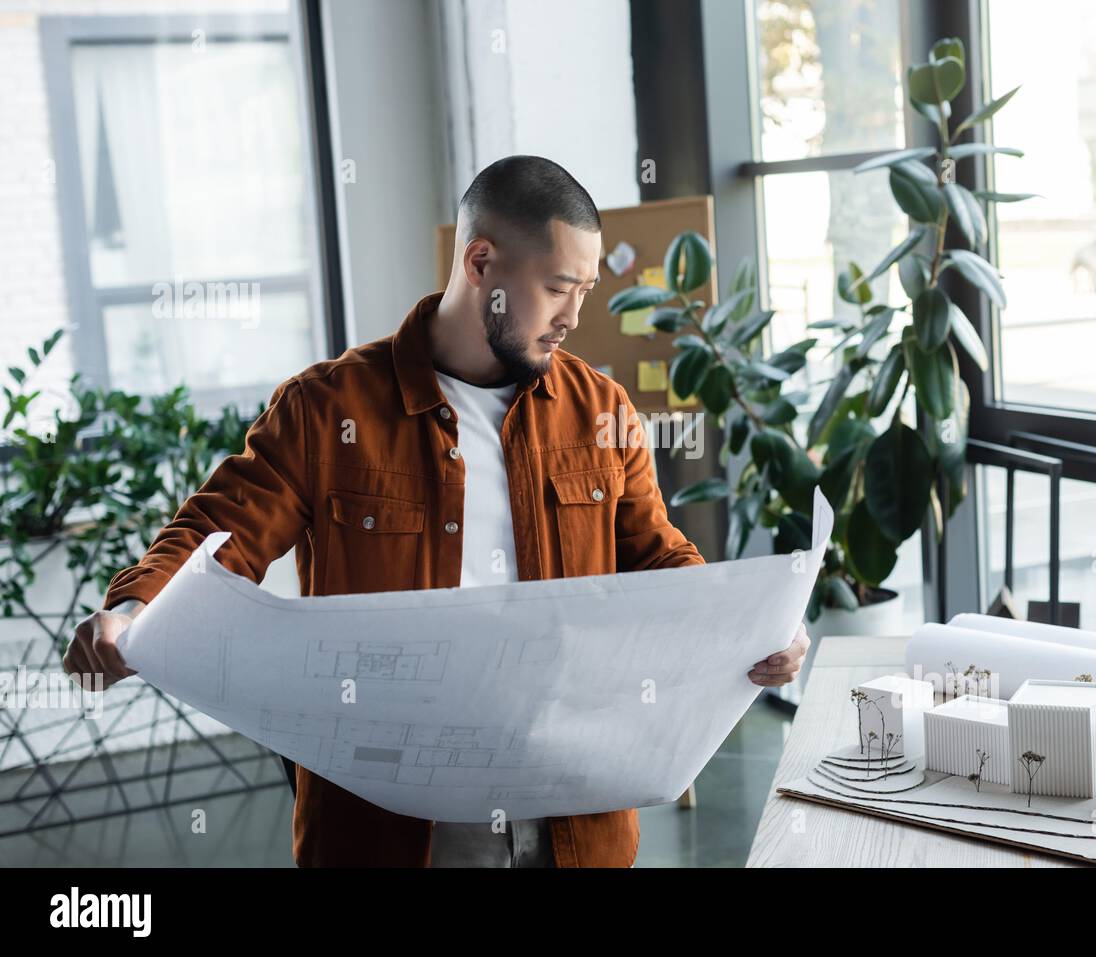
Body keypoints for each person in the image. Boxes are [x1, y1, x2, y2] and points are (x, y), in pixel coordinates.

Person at [64, 154, 810, 867]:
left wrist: (756, 625)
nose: (574, 317)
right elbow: (214, 534)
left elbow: (660, 558)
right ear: (480, 264)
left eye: (585, 290)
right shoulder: (328, 409)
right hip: (395, 830)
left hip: (575, 814)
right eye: (557, 287)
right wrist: (132, 613)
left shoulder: (600, 409)